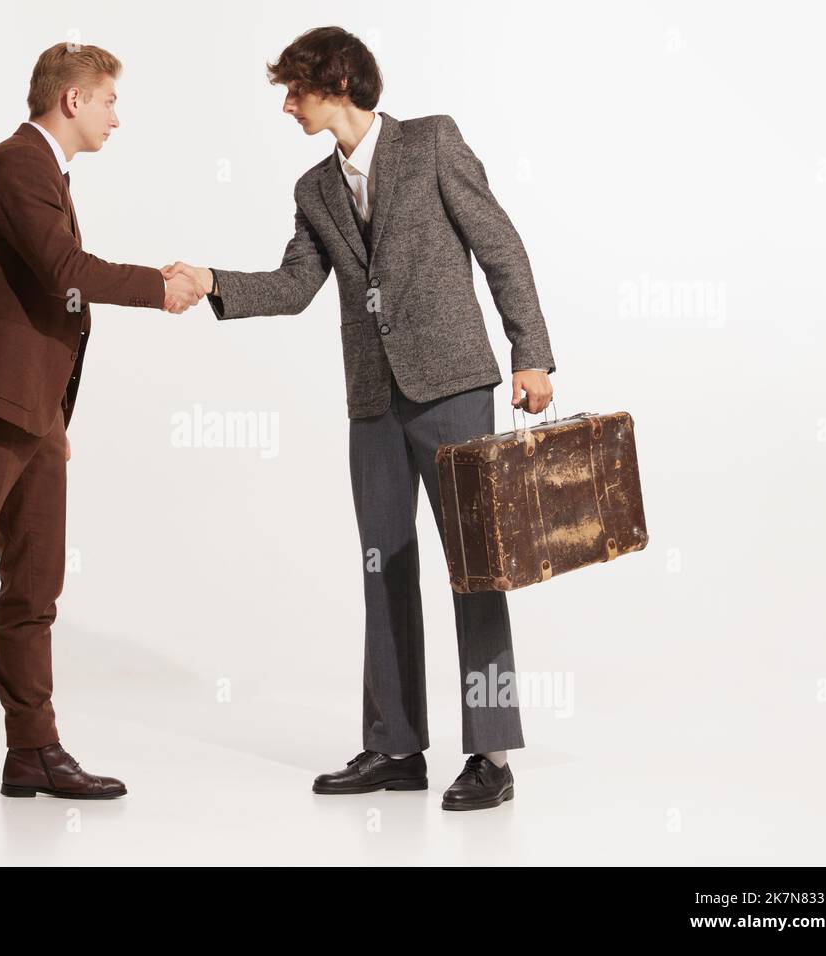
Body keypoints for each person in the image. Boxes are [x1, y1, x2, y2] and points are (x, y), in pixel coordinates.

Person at [163, 26, 555, 810]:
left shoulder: (434, 144)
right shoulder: (313, 191)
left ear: (335, 83)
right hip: (372, 402)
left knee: (476, 569)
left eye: (295, 90)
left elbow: (500, 246)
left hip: (454, 390)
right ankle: (395, 747)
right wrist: (211, 280)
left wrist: (531, 354)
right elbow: (294, 284)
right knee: (385, 568)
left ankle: (491, 754)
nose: (286, 105)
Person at [0, 41, 205, 816]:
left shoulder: (46, 172)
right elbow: (65, 270)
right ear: (73, 101)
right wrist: (160, 286)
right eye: (111, 102)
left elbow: (49, 290)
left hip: (34, 415)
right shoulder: (19, 164)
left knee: (35, 590)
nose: (118, 119)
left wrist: (54, 416)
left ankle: (32, 751)